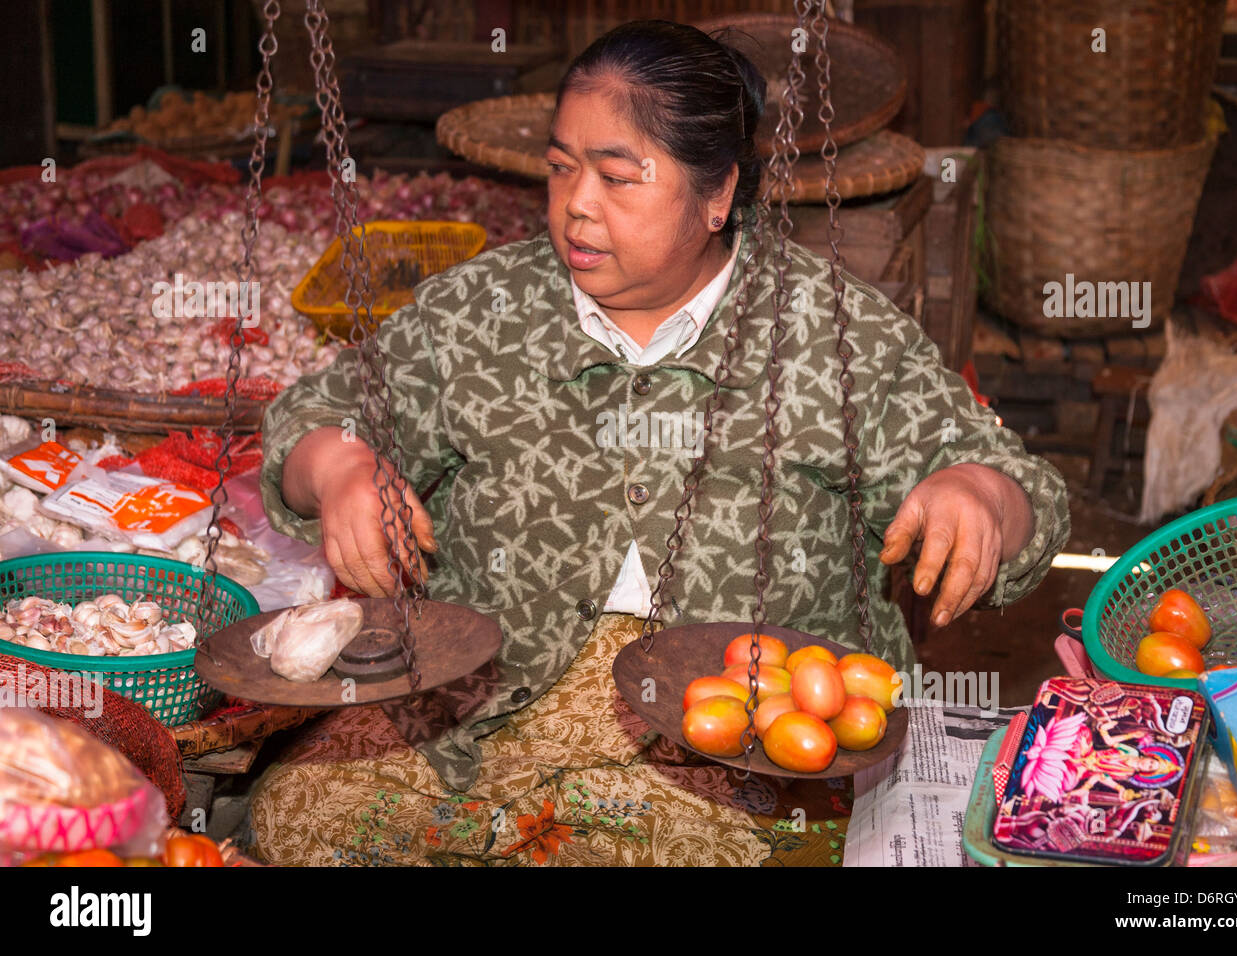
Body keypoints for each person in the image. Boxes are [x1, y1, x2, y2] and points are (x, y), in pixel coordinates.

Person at [248, 20, 1071, 866]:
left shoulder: (836, 336)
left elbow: (1024, 491)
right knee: (296, 814)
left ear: (718, 194)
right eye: (562, 166)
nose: (577, 204)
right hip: (479, 713)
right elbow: (314, 420)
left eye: (617, 176)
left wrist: (979, 496)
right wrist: (341, 464)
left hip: (719, 743)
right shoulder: (480, 311)